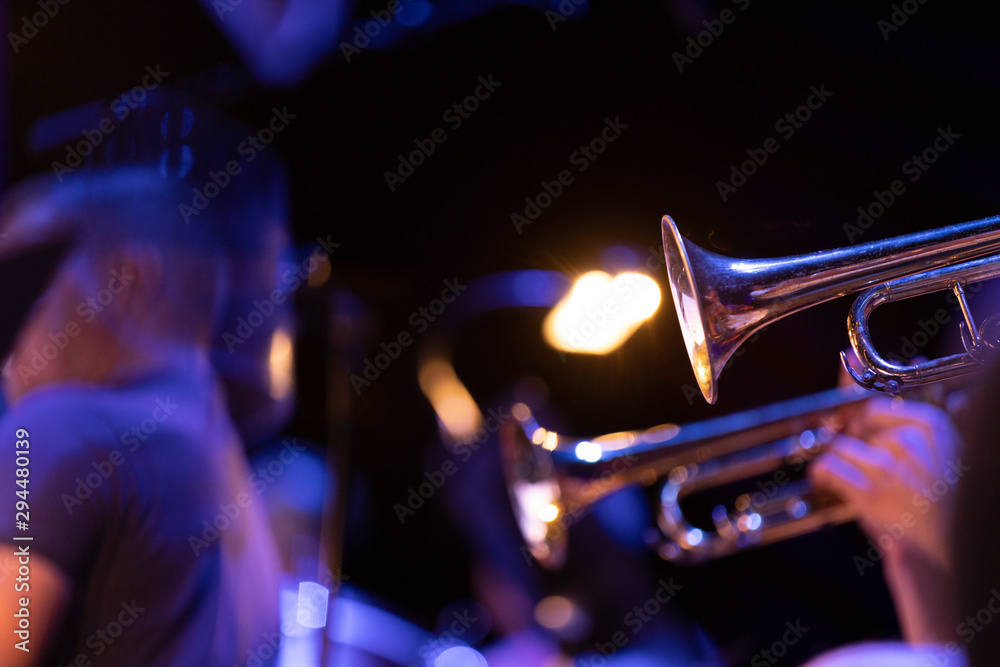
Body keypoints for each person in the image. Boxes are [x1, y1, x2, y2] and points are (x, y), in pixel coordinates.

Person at [0, 168, 283, 665]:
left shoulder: (57, 428)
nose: (8, 350)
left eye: (26, 297)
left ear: (126, 280)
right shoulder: (235, 488)